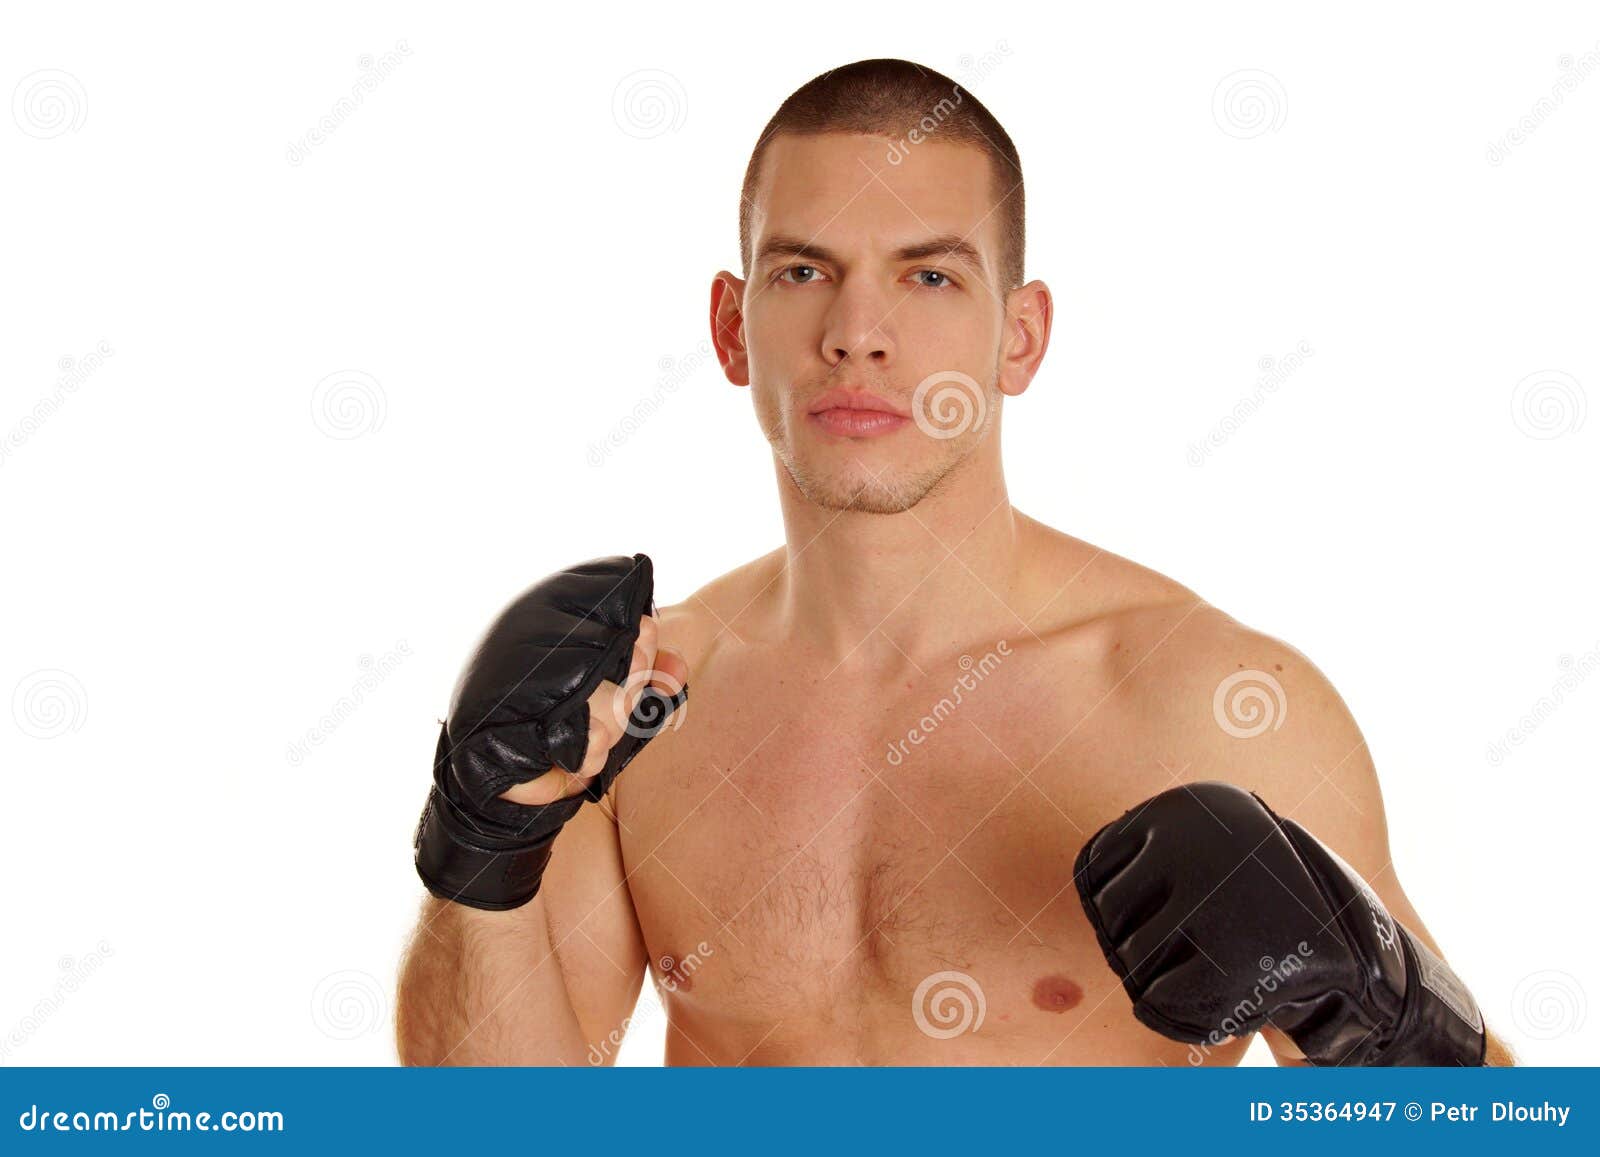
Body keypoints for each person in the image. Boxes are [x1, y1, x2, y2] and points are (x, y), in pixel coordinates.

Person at [396, 58, 1513, 1067]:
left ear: (1019, 337)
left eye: (928, 277)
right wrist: (483, 836)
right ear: (732, 327)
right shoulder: (643, 699)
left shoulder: (1212, 702)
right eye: (803, 270)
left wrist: (1374, 1021)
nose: (857, 332)